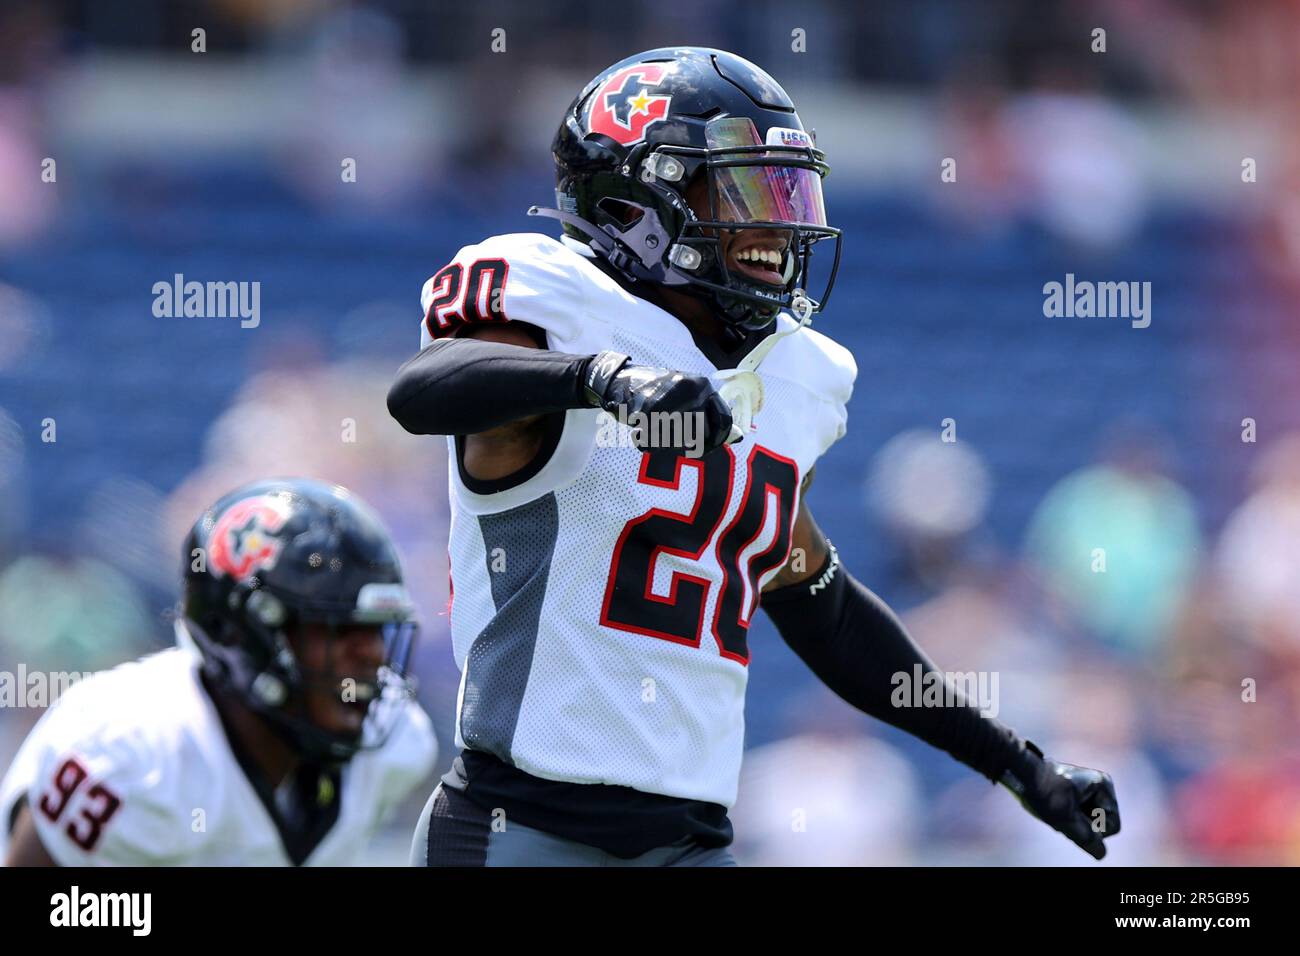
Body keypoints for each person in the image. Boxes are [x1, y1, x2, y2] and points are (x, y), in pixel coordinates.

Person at [389, 47, 1118, 866]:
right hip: (522, 829)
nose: (779, 224)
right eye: (744, 190)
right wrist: (604, 382)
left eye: (787, 190)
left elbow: (825, 607)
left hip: (690, 843)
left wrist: (1019, 766)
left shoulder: (793, 374)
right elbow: (423, 391)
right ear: (637, 200)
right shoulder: (554, 305)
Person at [0, 478, 436, 865]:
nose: (373, 655)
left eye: (378, 630)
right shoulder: (131, 755)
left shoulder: (395, 747)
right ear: (239, 634)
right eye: (341, 629)